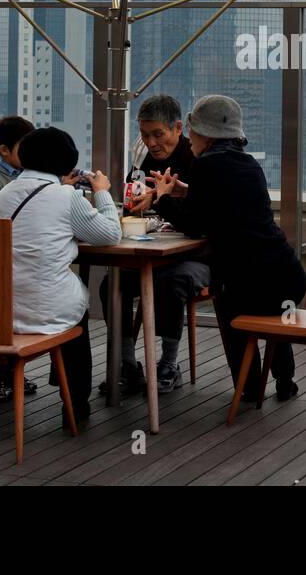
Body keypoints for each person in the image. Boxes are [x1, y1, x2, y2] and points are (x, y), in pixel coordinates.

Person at [151, 94, 306, 403]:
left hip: (250, 282)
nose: (189, 138)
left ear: (205, 133)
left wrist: (164, 197)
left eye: (192, 131)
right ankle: (285, 380)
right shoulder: (250, 164)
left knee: (228, 300)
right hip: (289, 277)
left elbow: (195, 224)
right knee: (274, 314)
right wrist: (189, 192)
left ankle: (250, 388)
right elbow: (227, 204)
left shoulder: (206, 164)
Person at [0, 127, 120, 428]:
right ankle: (75, 404)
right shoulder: (65, 197)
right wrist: (101, 191)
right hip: (49, 310)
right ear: (68, 163)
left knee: (63, 301)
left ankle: (61, 384)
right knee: (75, 311)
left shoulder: (4, 194)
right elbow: (110, 235)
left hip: (4, 312)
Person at [98, 95, 209, 395]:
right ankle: (127, 365)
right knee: (113, 283)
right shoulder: (143, 159)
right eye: (146, 135)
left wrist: (162, 200)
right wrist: (136, 204)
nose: (151, 142)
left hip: (199, 257)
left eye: (158, 134)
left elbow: (198, 223)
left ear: (177, 128)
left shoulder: (197, 158)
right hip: (155, 250)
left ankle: (169, 364)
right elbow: (132, 202)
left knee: (170, 282)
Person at [0, 115, 36, 398]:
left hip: (19, 262)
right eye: (25, 146)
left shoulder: (31, 177)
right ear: (4, 150)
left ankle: (12, 374)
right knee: (1, 306)